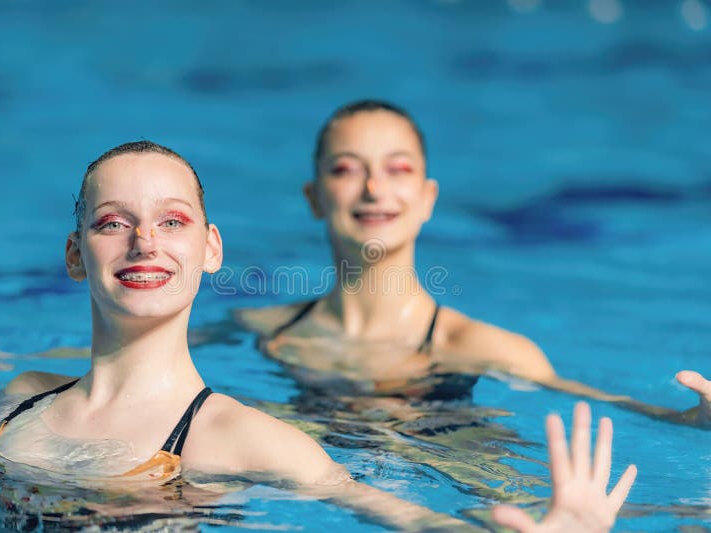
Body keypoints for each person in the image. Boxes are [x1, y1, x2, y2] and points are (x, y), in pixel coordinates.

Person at [0, 140, 636, 531]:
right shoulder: (21, 399)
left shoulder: (244, 439)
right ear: (75, 253)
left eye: (172, 221)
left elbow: (405, 517)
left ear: (211, 249)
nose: (145, 242)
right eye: (113, 222)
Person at [235, 100, 711, 428]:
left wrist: (689, 420)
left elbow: (601, 403)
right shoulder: (261, 327)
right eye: (346, 169)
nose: (374, 189)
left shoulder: (486, 349)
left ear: (428, 198)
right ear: (314, 197)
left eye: (398, 168)